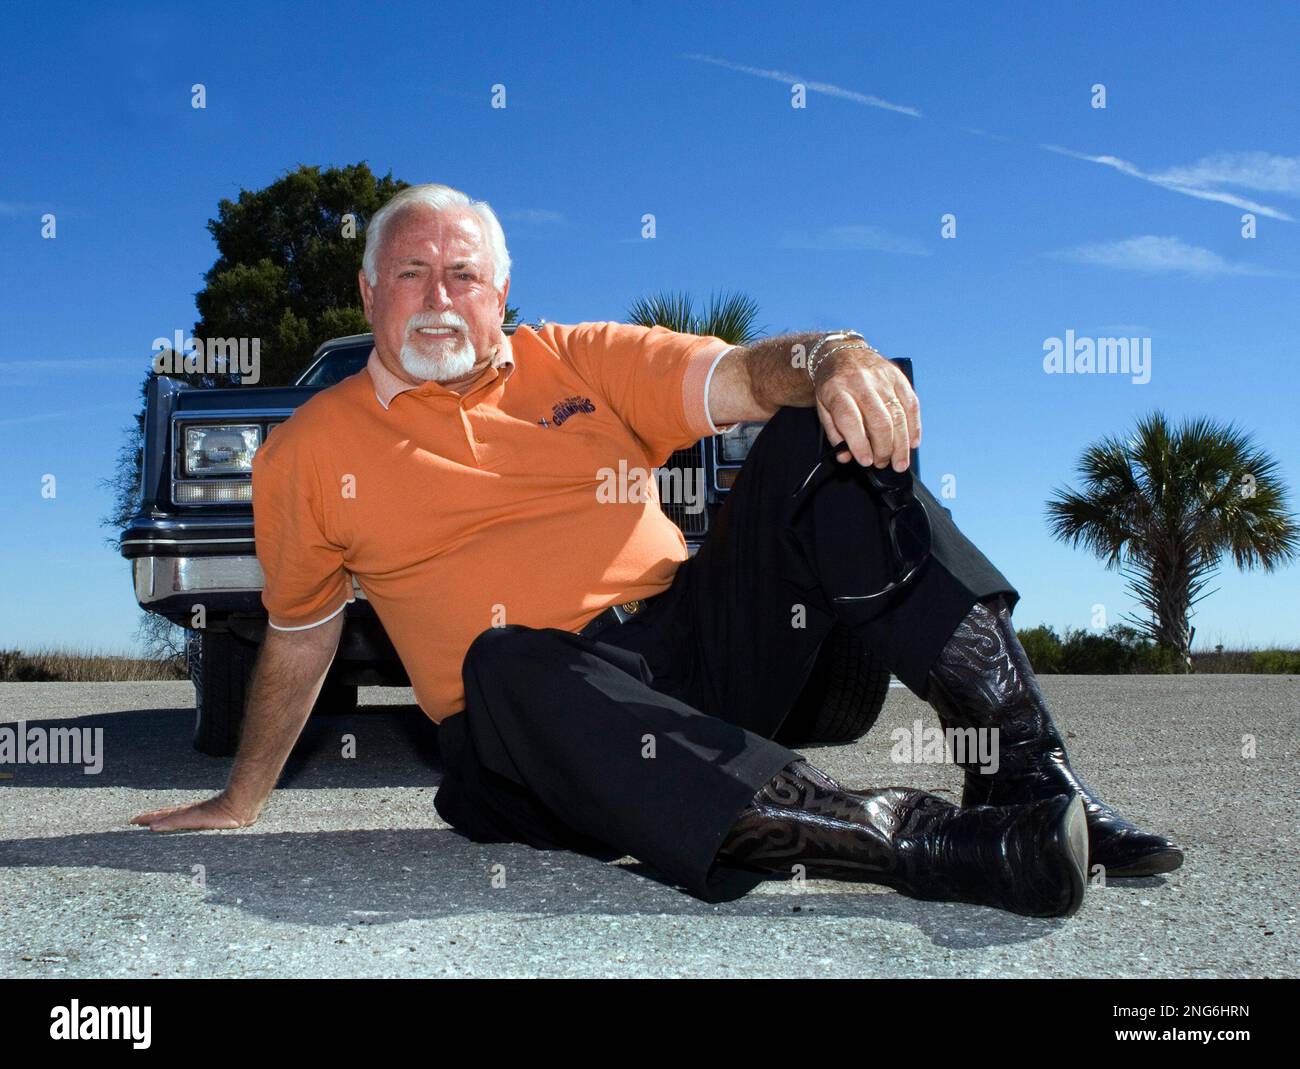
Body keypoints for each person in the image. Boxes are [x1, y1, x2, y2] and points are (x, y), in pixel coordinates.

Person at [131, 184, 1183, 918]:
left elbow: (740, 374)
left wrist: (831, 355)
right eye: (411, 274)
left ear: (503, 293)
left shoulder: (579, 357)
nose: (440, 296)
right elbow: (303, 634)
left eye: (463, 273)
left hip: (689, 656)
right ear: (368, 297)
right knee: (506, 659)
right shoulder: (309, 450)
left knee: (815, 426)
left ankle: (1022, 773)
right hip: (527, 736)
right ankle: (913, 842)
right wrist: (242, 795)